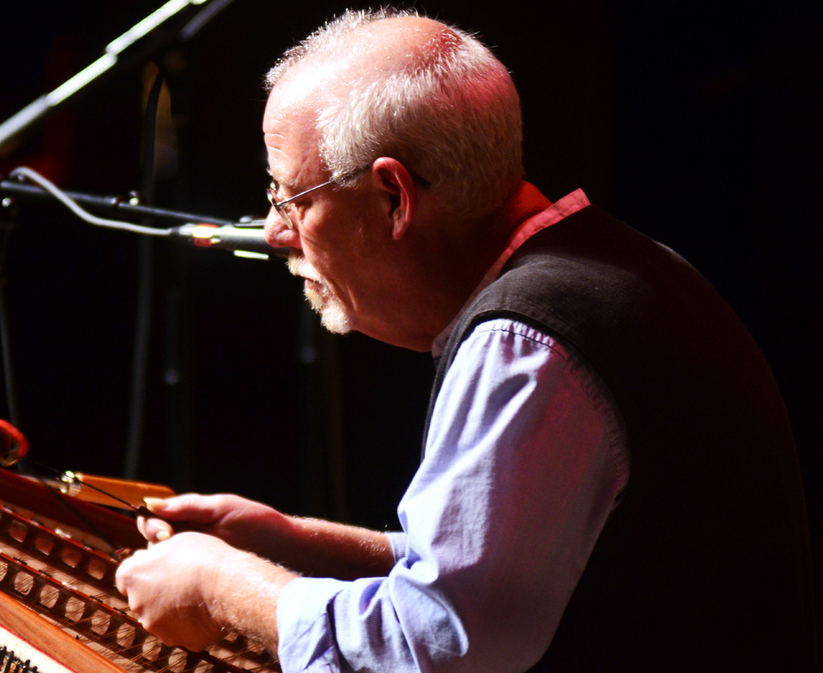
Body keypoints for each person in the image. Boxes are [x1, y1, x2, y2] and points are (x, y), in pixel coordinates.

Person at [114, 9, 817, 672]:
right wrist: (294, 543)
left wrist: (220, 582)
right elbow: (505, 581)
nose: (274, 232)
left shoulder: (529, 343)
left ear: (393, 196)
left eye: (288, 195)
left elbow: (438, 642)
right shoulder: (615, 271)